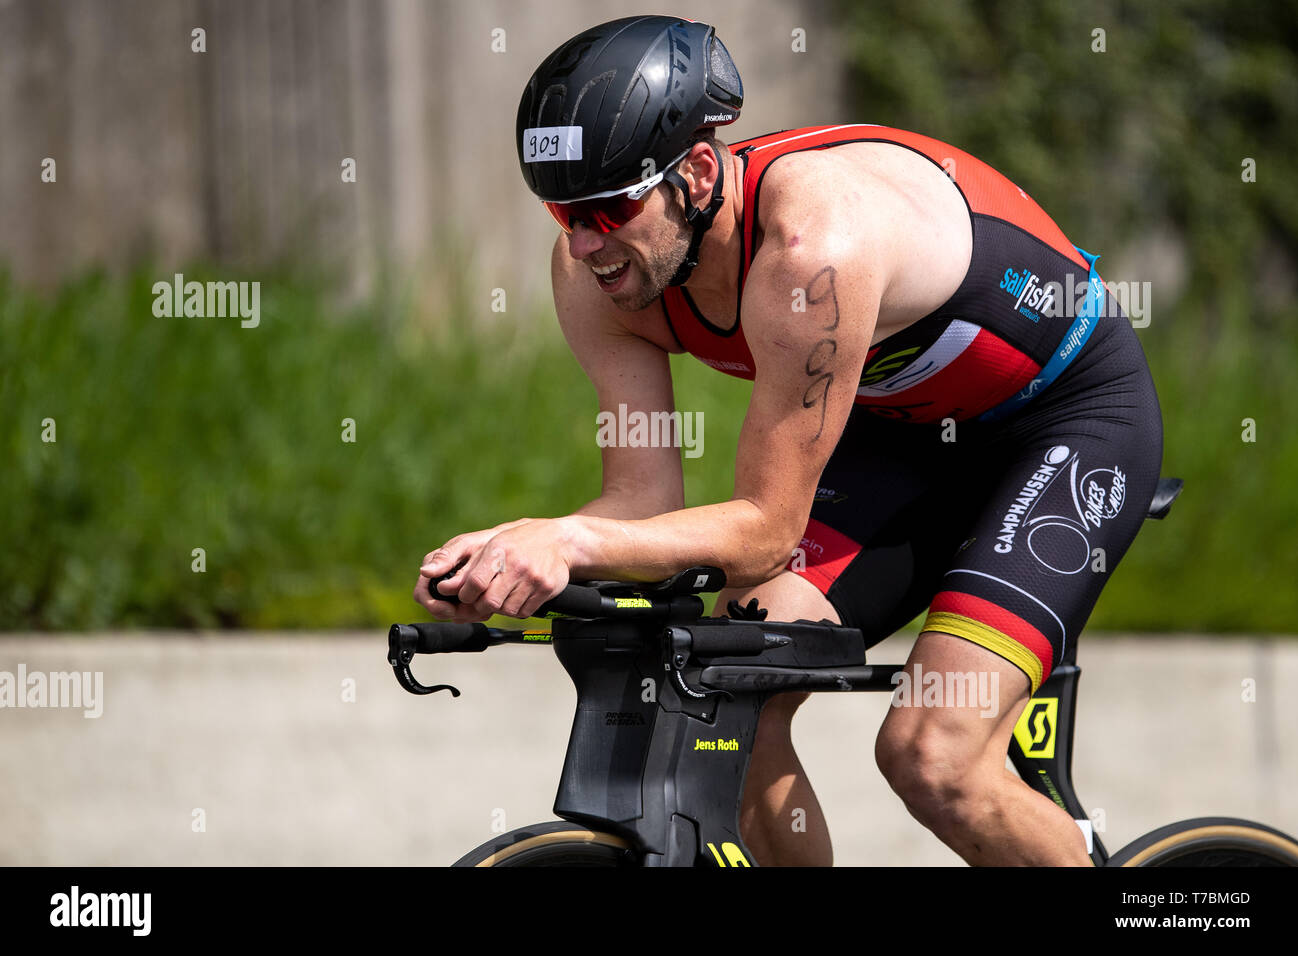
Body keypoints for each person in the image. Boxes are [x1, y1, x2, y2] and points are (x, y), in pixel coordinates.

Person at [415, 15, 1163, 867]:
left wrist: (570, 540)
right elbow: (640, 505)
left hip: (1065, 422)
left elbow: (764, 530)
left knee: (933, 757)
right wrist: (515, 552)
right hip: (901, 435)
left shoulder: (812, 252)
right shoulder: (599, 274)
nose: (585, 244)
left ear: (696, 175)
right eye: (562, 211)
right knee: (725, 691)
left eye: (609, 208)